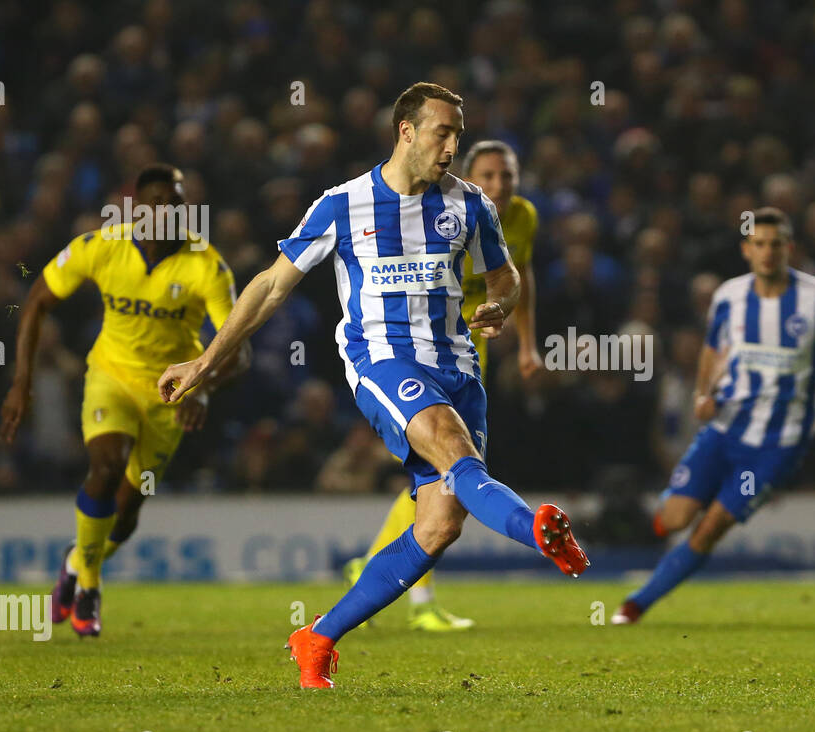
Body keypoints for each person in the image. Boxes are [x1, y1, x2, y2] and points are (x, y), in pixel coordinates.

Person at [157, 82, 588, 688]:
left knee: (439, 525)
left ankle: (318, 638)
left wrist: (499, 305)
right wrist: (204, 363)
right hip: (382, 361)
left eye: (459, 133)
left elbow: (506, 275)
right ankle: (537, 528)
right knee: (454, 452)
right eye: (444, 132)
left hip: (458, 367)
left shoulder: (470, 205)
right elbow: (270, 286)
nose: (453, 145)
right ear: (406, 131)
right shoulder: (343, 205)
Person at [0, 164, 250, 637]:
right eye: (155, 202)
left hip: (171, 394)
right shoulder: (102, 247)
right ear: (136, 208)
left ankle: (76, 562)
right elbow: (35, 301)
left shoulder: (206, 265)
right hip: (110, 379)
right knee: (106, 464)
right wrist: (21, 383)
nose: (165, 211)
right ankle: (89, 587)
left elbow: (239, 349)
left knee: (129, 509)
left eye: (175, 204)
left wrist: (206, 389)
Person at [613, 207, 815, 624]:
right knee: (675, 519)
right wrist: (703, 392)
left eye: (776, 244)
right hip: (724, 431)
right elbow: (712, 348)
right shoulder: (730, 296)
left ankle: (635, 604)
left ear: (789, 248)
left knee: (712, 525)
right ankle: (633, 531)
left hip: (779, 444)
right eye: (759, 244)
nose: (768, 252)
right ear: (747, 249)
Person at [341, 140, 543, 631]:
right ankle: (418, 595)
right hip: (411, 350)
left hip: (471, 349)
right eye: (489, 176)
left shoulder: (521, 217)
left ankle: (372, 567)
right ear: (470, 176)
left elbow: (520, 275)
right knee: (445, 470)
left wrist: (526, 345)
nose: (499, 186)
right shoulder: (441, 208)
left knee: (447, 474)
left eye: (508, 176)